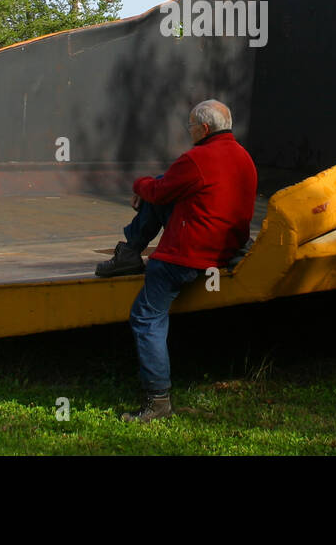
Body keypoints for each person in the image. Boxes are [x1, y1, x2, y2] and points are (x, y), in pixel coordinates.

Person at [95, 99, 257, 423]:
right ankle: (130, 253)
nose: (189, 131)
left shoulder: (196, 159)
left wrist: (139, 185)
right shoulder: (243, 157)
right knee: (160, 188)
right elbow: (165, 190)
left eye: (191, 126)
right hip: (225, 247)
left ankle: (157, 401)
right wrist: (154, 188)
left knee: (146, 317)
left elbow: (157, 190)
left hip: (187, 257)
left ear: (204, 129)